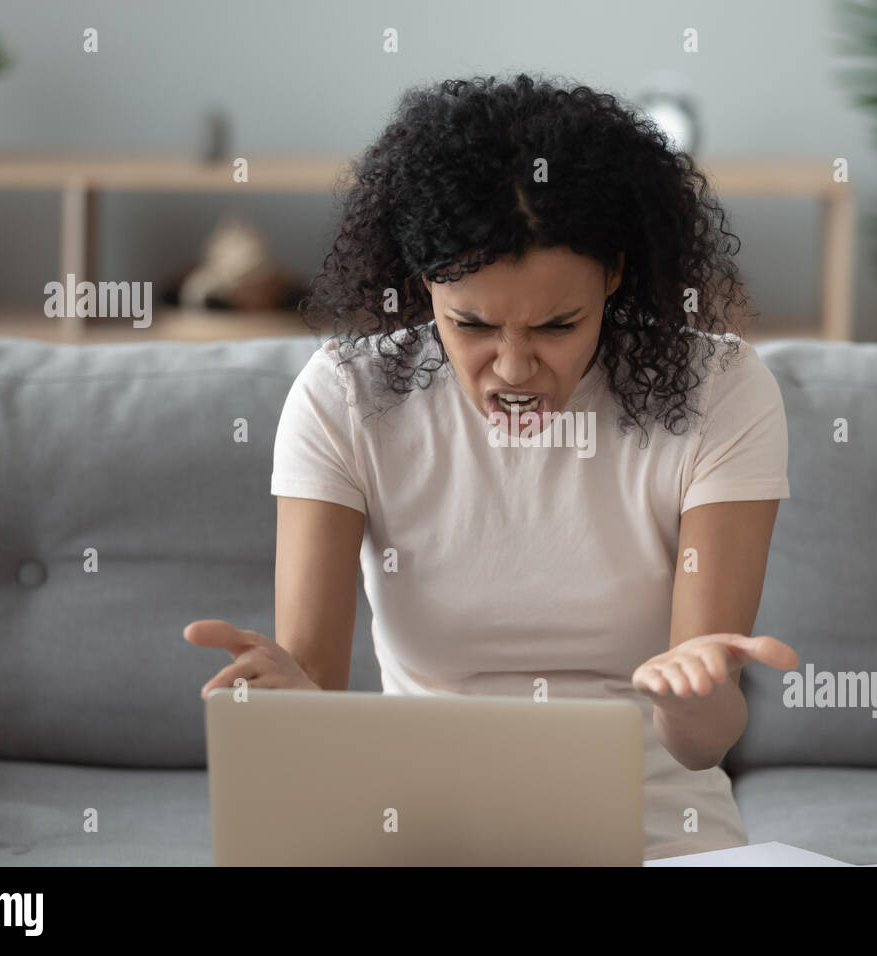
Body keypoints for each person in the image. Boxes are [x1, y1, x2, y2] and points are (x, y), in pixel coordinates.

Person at [185, 73, 798, 861]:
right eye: (470, 323)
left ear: (615, 273)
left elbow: (702, 745)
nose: (514, 368)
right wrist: (291, 704)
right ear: (422, 282)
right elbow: (315, 694)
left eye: (557, 324)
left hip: (653, 827)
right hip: (419, 825)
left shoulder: (718, 390)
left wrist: (694, 696)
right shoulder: (346, 397)